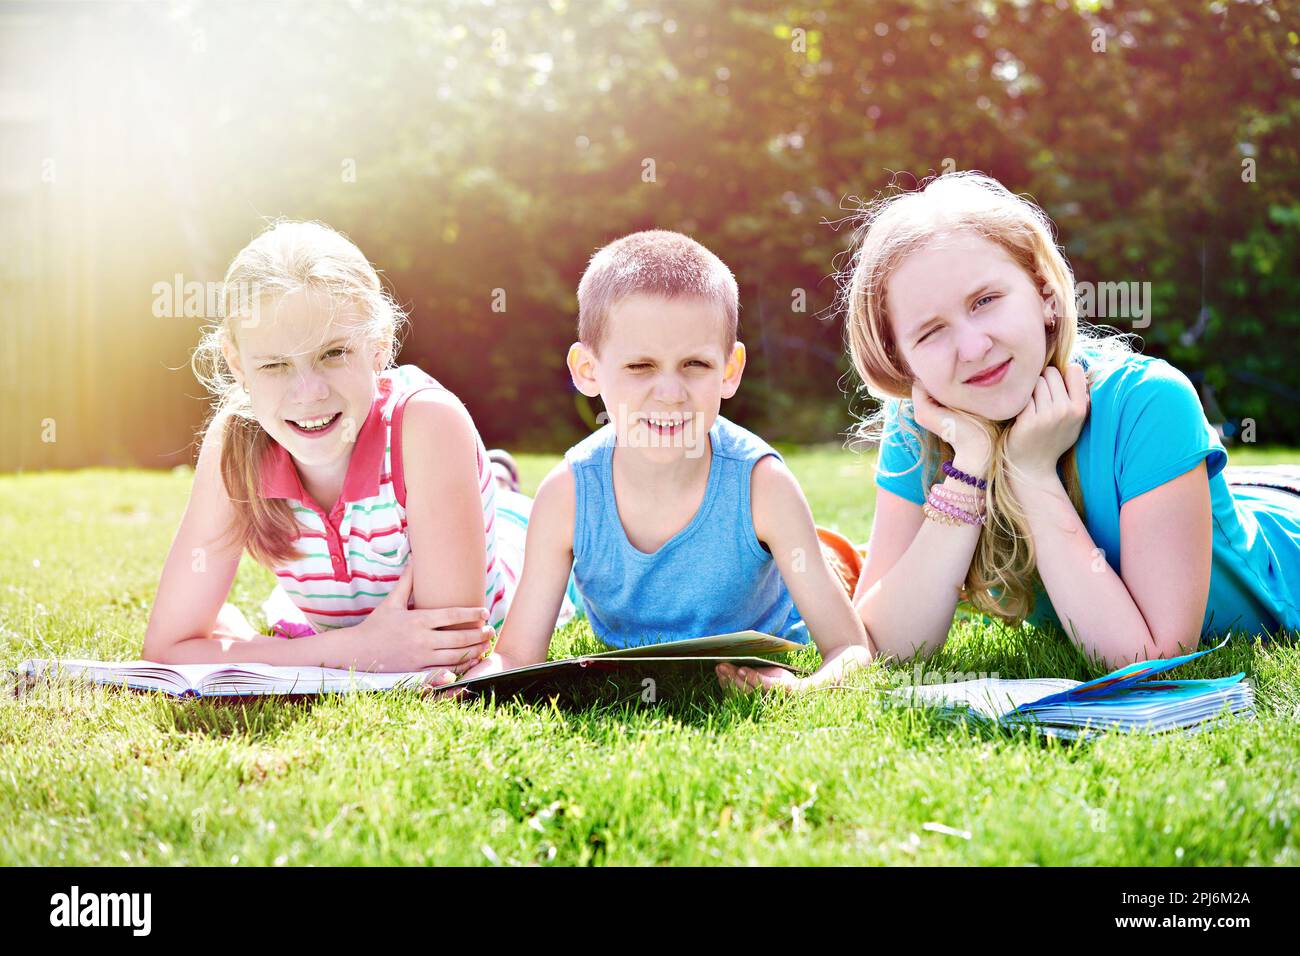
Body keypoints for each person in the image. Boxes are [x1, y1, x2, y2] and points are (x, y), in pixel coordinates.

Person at [842, 172, 1300, 668]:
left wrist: (1033, 472)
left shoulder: (1150, 400)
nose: (974, 348)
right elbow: (883, 646)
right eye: (931, 332)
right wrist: (970, 466)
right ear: (902, 359)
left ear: (1044, 291)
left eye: (986, 301)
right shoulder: (921, 425)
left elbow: (1149, 658)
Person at [454, 230, 874, 694]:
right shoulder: (568, 494)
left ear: (730, 371)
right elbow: (516, 655)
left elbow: (851, 649)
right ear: (587, 371)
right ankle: (502, 484)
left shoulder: (762, 485)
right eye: (641, 366)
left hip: (795, 571)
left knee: (836, 563)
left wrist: (803, 689)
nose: (671, 393)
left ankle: (842, 556)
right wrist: (471, 685)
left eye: (695, 364)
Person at [141, 220, 548, 685]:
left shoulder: (429, 424)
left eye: (333, 354)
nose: (308, 393)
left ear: (378, 347)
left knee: (513, 519)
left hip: (510, 542)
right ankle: (489, 476)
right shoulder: (233, 447)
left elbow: (445, 653)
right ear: (237, 364)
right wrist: (356, 648)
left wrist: (253, 649)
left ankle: (493, 481)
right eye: (274, 365)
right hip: (360, 600)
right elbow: (167, 648)